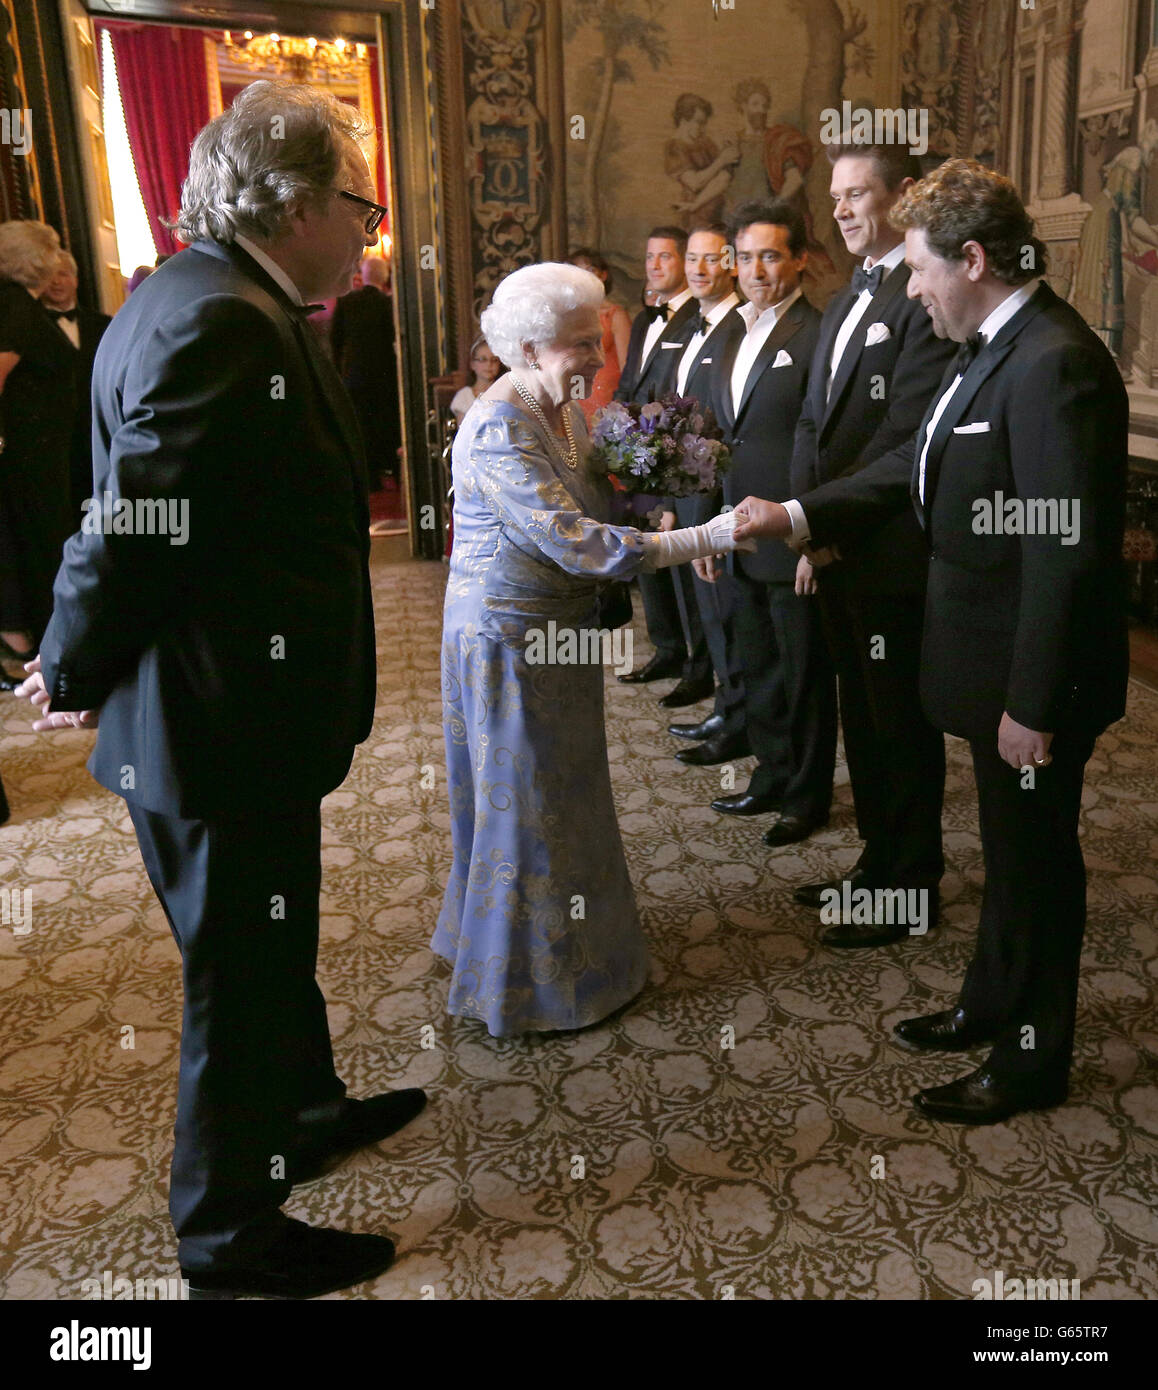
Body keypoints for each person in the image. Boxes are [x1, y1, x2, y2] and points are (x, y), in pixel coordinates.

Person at [16, 79, 424, 1300]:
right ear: (293, 199)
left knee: (269, 931)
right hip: (216, 718)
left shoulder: (215, 293)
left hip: (236, 705)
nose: (366, 226)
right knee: (236, 971)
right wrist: (73, 657)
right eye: (358, 203)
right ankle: (228, 1233)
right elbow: (135, 518)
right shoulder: (220, 318)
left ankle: (301, 1107)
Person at [733, 158, 1129, 1124]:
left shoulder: (1053, 362)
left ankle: (1029, 1060)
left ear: (976, 259)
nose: (910, 290)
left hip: (1027, 682)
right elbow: (914, 460)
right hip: (985, 661)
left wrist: (1032, 702)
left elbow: (1063, 555)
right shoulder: (992, 344)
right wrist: (797, 510)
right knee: (1007, 851)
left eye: (920, 270)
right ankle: (989, 1005)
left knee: (1036, 868)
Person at [431, 261, 753, 1037]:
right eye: (582, 345)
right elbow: (574, 543)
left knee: (564, 795)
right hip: (507, 635)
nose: (597, 359)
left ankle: (563, 947)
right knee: (526, 804)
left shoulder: (563, 411)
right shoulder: (501, 421)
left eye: (596, 339)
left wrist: (663, 499)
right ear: (533, 345)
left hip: (556, 631)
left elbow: (596, 497)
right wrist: (707, 535)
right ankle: (528, 984)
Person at [780, 142, 957, 947]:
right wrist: (802, 522)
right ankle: (874, 868)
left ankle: (910, 885)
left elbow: (904, 435)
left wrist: (821, 523)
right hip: (833, 543)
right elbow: (813, 420)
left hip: (887, 554)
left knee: (899, 729)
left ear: (905, 195)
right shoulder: (851, 289)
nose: (842, 209)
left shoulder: (922, 297)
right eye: (836, 196)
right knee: (863, 721)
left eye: (859, 194)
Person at [695, 201, 836, 847]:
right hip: (735, 535)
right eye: (744, 257)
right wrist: (705, 530)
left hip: (791, 536)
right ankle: (772, 775)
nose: (754, 270)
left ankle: (806, 797)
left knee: (803, 677)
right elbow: (715, 437)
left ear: (799, 259)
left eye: (770, 255)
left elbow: (830, 446)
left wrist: (815, 539)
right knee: (757, 666)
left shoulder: (820, 333)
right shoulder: (729, 333)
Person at [657, 221, 747, 766]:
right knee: (708, 611)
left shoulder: (738, 323)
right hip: (689, 486)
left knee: (726, 610)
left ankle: (738, 719)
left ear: (730, 263)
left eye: (709, 259)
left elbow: (720, 423)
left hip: (718, 489)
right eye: (691, 258)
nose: (697, 268)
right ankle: (725, 707)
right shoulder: (693, 320)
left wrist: (707, 507)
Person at [614, 226, 712, 706]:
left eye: (665, 257)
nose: (655, 265)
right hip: (639, 456)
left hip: (674, 456)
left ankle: (700, 665)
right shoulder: (642, 320)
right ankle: (667, 649)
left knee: (680, 560)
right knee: (647, 555)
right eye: (649, 257)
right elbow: (630, 383)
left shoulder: (700, 317)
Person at [0, 220, 78, 688]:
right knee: (38, 538)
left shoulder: (19, 305)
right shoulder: (14, 306)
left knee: (39, 538)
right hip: (28, 454)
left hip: (41, 451)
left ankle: (39, 639)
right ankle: (32, 644)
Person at [39, 248, 111, 520]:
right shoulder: (31, 330)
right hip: (54, 438)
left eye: (64, 274)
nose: (57, 282)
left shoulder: (104, 325)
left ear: (76, 279)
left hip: (97, 431)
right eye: (50, 276)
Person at [329, 251, 399, 489]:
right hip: (385, 376)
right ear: (385, 276)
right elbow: (394, 340)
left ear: (363, 275)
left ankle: (370, 480)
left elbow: (335, 341)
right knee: (387, 423)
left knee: (361, 428)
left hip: (355, 377)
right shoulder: (389, 304)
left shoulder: (347, 302)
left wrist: (341, 372)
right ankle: (395, 472)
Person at [566, 247, 631, 419]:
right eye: (578, 272)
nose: (584, 277)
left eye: (590, 270)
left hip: (605, 393)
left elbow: (628, 366)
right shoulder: (568, 315)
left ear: (603, 275)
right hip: (574, 391)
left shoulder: (615, 315)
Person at [450, 334, 504, 423]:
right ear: (472, 364)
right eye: (483, 359)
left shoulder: (504, 392)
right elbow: (463, 432)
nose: (489, 365)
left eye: (494, 360)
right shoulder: (464, 396)